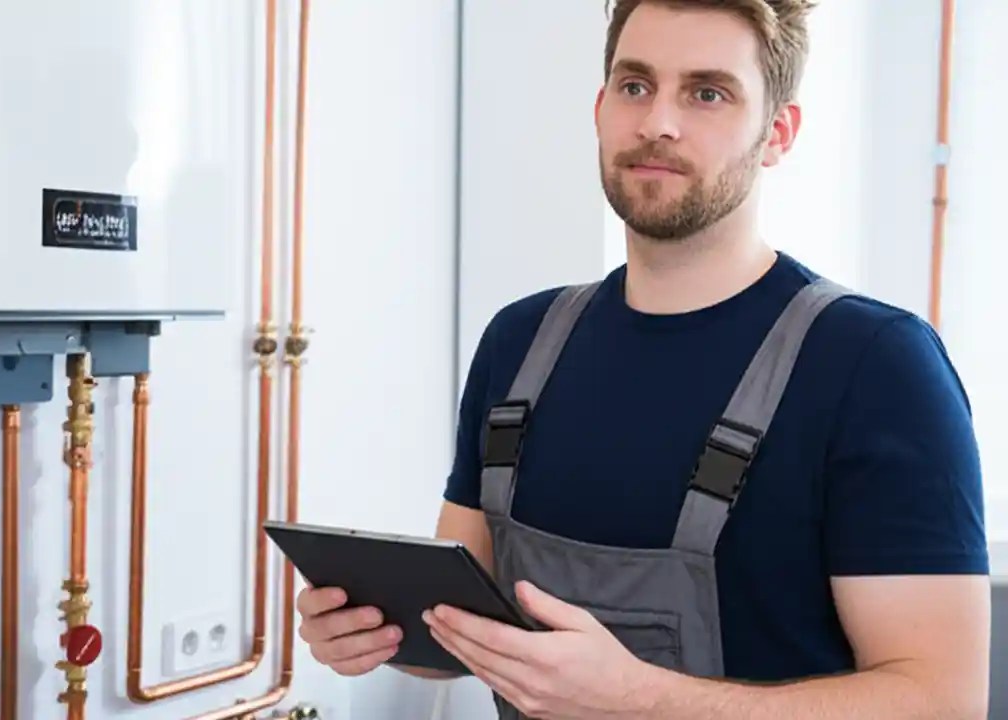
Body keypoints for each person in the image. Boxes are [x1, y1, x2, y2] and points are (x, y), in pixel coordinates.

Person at [295, 0, 991, 717]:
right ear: (600, 108)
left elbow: (941, 700)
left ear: (777, 133)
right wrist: (379, 630)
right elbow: (466, 624)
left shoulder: (876, 365)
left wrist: (639, 698)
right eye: (635, 86)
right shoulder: (519, 344)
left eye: (707, 93)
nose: (659, 121)